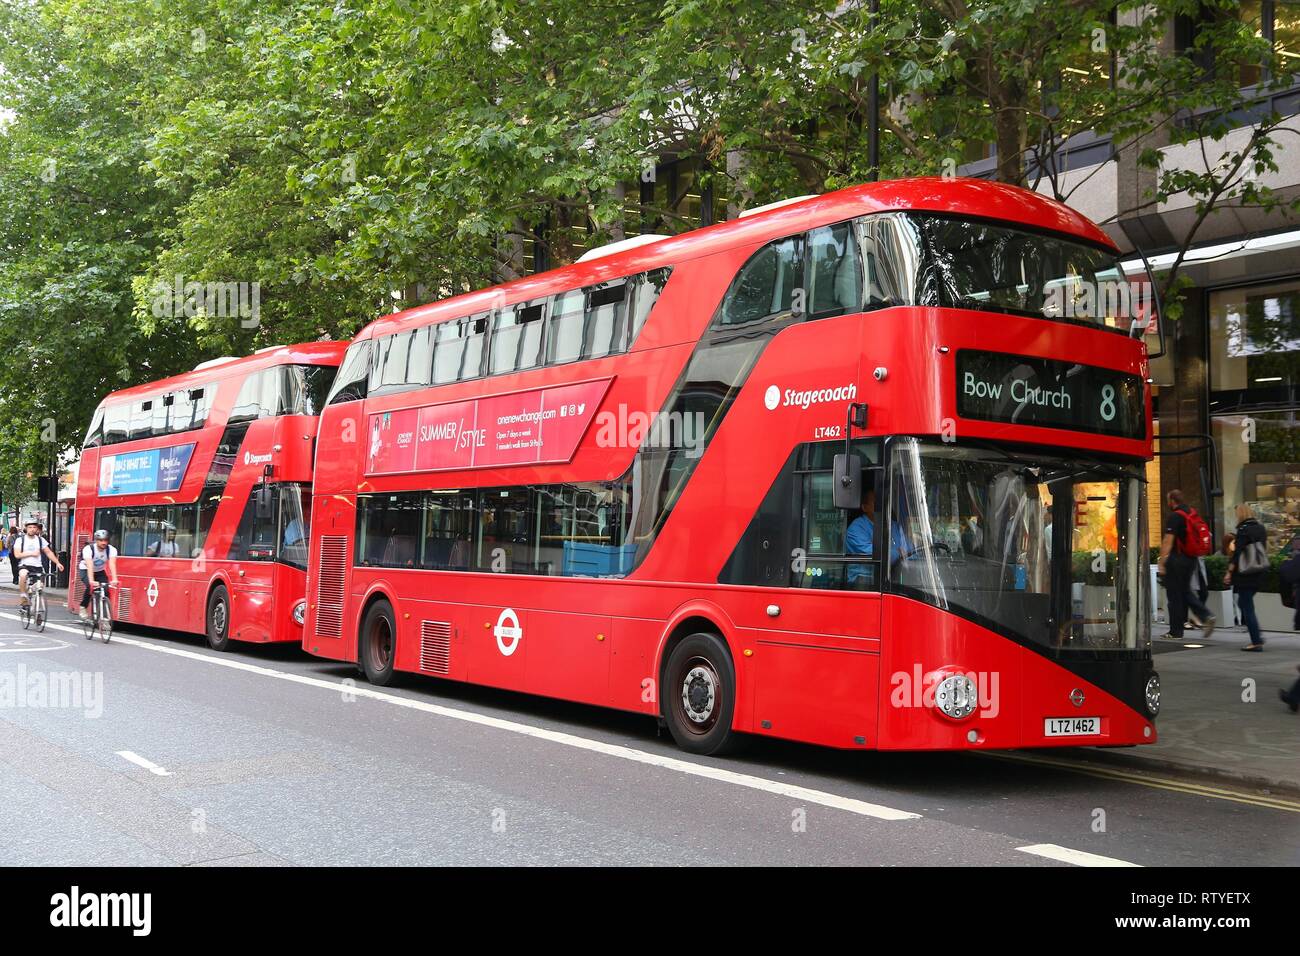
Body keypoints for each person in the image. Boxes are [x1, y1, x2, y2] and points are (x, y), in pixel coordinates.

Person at [1157, 489, 1216, 640]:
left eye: (1168, 500)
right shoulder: (1191, 512)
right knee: (1185, 592)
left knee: (1174, 596)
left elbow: (1168, 541)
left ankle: (1175, 632)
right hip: (1191, 559)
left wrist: (1162, 562)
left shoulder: (1175, 516)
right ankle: (1205, 615)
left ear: (1172, 501)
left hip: (1177, 560)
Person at [845, 482, 910, 585]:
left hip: (893, 579)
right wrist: (898, 552)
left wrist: (902, 552)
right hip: (864, 584)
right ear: (865, 508)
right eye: (876, 503)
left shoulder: (895, 526)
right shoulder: (855, 529)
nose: (882, 506)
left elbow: (910, 549)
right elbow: (877, 554)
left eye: (883, 502)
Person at [1224, 503, 1268, 651]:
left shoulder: (1243, 530)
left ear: (1240, 514)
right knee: (1246, 604)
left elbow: (1237, 554)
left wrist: (1229, 572)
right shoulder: (1260, 528)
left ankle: (1256, 641)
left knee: (1246, 606)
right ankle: (1257, 637)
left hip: (1245, 573)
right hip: (1259, 571)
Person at [14, 519, 63, 607]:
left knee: (39, 587)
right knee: (23, 575)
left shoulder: (40, 540)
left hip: (37, 566)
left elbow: (48, 552)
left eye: (34, 527)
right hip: (24, 565)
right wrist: (32, 553)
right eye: (30, 527)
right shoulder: (20, 540)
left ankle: (36, 610)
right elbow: (17, 555)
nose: (32, 529)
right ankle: (23, 597)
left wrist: (58, 563)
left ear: (37, 529)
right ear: (26, 528)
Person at [79, 529, 119, 620]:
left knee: (105, 589)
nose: (103, 543)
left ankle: (104, 616)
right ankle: (83, 606)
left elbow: (112, 564)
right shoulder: (88, 549)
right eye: (101, 540)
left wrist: (115, 579)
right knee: (90, 586)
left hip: (100, 571)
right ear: (96, 541)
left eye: (105, 540)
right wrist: (92, 581)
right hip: (85, 569)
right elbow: (90, 565)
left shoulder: (112, 550)